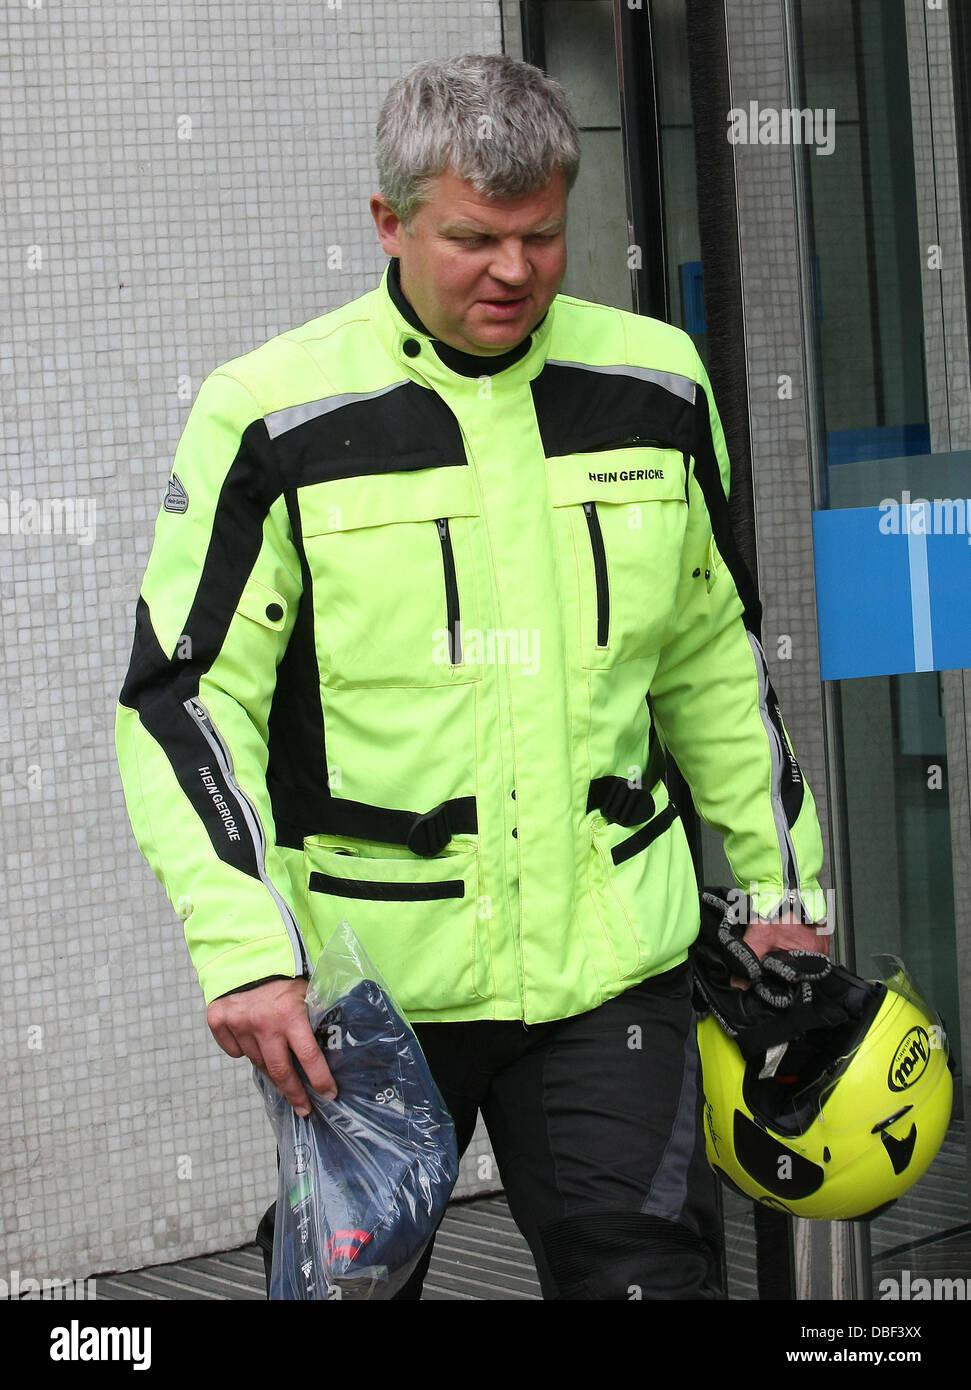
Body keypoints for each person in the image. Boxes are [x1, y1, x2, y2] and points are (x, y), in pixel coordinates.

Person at [115, 52, 831, 1300]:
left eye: (543, 236)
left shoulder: (655, 386)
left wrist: (785, 886)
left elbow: (712, 660)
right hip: (365, 1000)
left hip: (612, 979)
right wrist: (243, 947)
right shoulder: (269, 415)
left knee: (652, 1285)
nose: (515, 271)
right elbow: (187, 700)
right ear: (387, 220)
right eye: (474, 238)